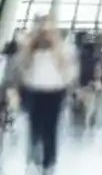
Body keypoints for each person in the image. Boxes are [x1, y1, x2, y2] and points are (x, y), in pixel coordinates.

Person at [17, 16, 77, 174]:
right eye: (41, 29)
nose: (44, 33)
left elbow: (68, 72)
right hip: (34, 91)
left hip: (54, 93)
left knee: (50, 129)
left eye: (47, 29)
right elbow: (23, 68)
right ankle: (34, 160)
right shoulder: (30, 48)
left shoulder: (62, 49)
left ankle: (48, 162)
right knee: (35, 128)